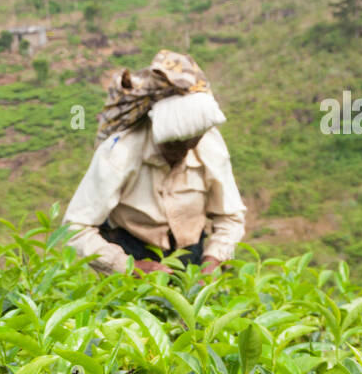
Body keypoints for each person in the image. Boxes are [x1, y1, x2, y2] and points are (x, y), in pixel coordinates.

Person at [63, 49, 246, 277]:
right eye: (172, 145)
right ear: (155, 130)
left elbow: (230, 217)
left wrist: (211, 262)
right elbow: (75, 229)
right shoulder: (120, 152)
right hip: (130, 252)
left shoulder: (209, 145)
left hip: (192, 256)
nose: (181, 152)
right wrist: (127, 266)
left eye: (190, 143)